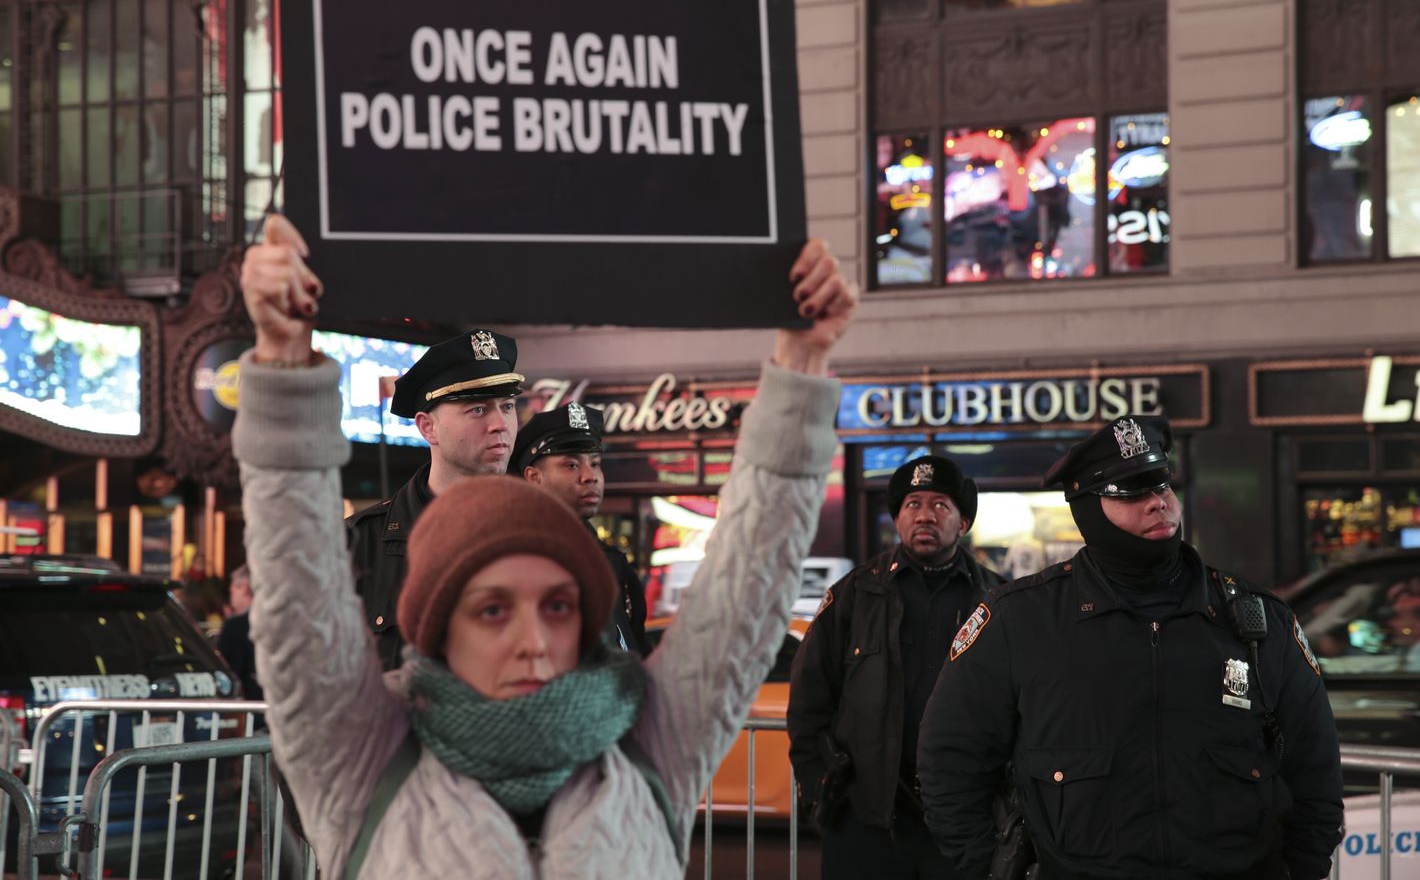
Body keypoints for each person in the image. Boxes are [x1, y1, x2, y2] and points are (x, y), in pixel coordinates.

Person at [234, 215, 857, 879]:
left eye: (559, 607)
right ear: (436, 628)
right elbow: (296, 586)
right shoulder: (363, 762)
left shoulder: (652, 749)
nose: (533, 640)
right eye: (493, 610)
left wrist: (804, 361)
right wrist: (281, 356)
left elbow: (751, 581)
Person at [917, 415, 1345, 880]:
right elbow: (949, 758)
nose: (1158, 503)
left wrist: (1304, 867)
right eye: (1131, 493)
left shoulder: (1256, 619)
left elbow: (1314, 765)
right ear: (1087, 509)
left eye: (1161, 486)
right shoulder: (1019, 619)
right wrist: (990, 866)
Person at [787, 456, 1004, 880]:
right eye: (913, 504)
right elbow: (809, 698)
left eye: (941, 505)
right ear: (898, 518)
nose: (925, 514)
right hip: (865, 820)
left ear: (962, 523)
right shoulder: (853, 594)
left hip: (965, 822)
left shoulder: (996, 600)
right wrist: (819, 784)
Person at [346, 326, 524, 669]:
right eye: (477, 410)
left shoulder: (548, 535)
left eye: (507, 406)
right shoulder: (357, 545)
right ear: (428, 427)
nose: (500, 424)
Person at [512, 402, 649, 655]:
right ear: (534, 478)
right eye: (571, 465)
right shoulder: (516, 561)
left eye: (595, 463)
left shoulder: (613, 564)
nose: (590, 476)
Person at [216, 564, 262, 700]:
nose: (231, 590)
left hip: (246, 704)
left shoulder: (235, 626)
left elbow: (225, 668)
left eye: (235, 587)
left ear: (246, 589)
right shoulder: (275, 622)